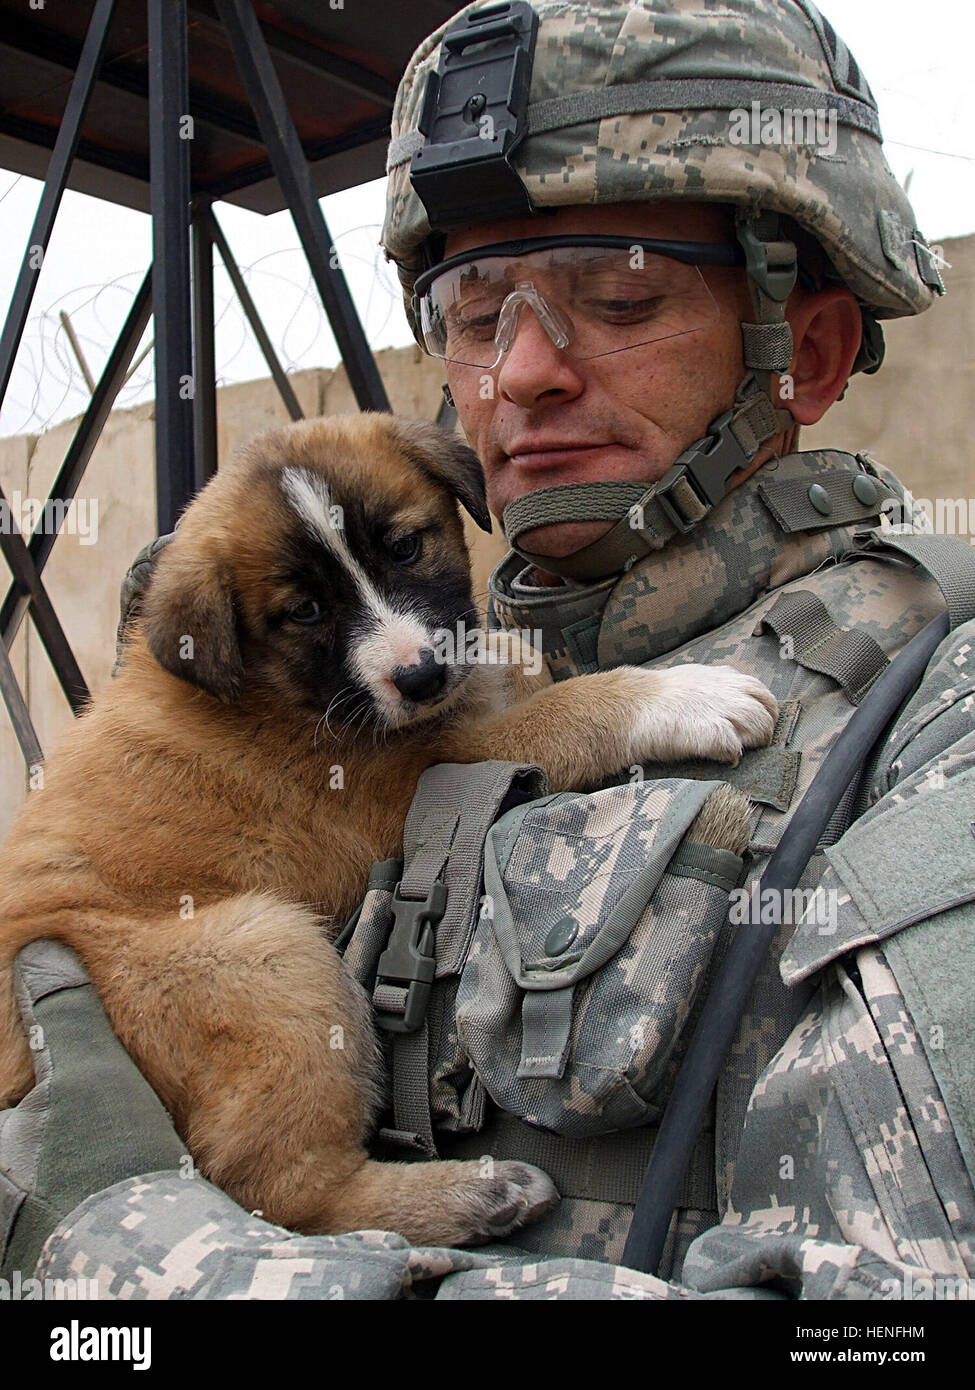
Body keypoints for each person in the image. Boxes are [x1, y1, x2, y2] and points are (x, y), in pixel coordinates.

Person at [3, 0, 974, 1302]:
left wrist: (129, 1255)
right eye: (471, 310)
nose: (519, 373)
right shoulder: (401, 690)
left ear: (805, 346)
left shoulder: (927, 722)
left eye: (618, 293)